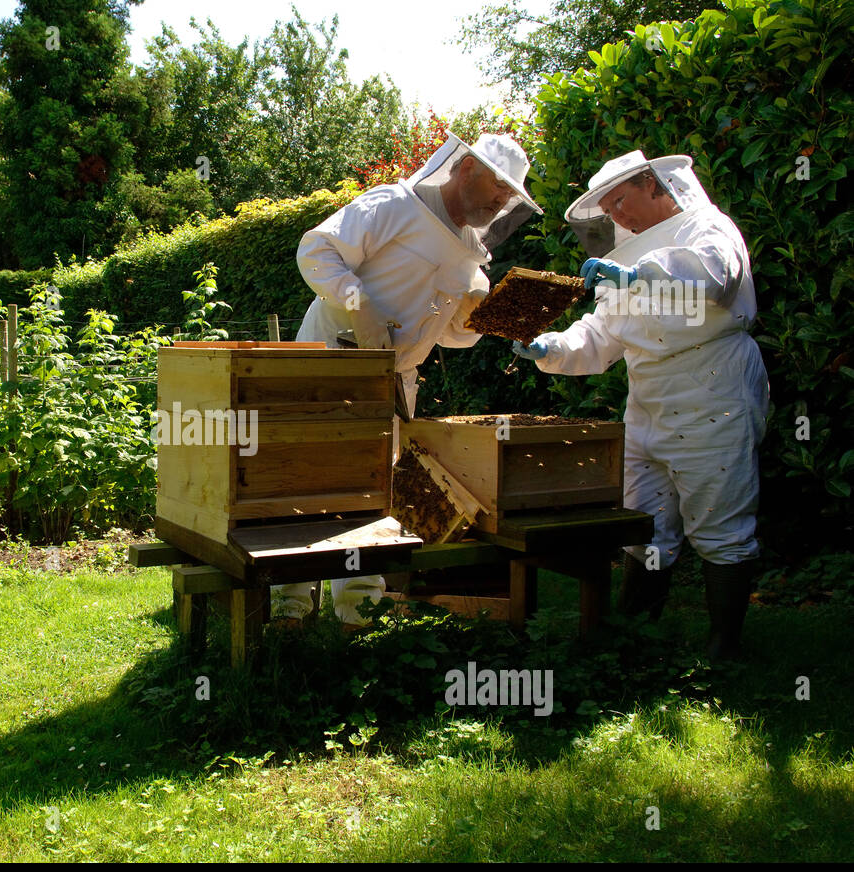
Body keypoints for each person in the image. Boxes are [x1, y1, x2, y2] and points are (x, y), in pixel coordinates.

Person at [273, 132, 544, 627]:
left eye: (511, 195)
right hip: (332, 357)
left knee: (375, 489)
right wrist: (361, 303)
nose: (503, 200)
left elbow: (454, 337)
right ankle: (290, 605)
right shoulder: (391, 204)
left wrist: (482, 317)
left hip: (395, 378)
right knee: (309, 479)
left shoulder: (472, 258)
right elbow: (316, 250)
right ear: (465, 170)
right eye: (498, 187)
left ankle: (360, 610)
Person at [511, 150, 768, 660]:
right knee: (642, 517)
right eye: (608, 210)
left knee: (720, 518)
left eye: (621, 202)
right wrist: (551, 347)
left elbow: (715, 284)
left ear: (654, 185)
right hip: (647, 395)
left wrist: (642, 275)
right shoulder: (623, 259)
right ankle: (634, 631)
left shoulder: (707, 228)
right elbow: (605, 334)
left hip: (712, 388)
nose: (617, 218)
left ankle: (723, 647)